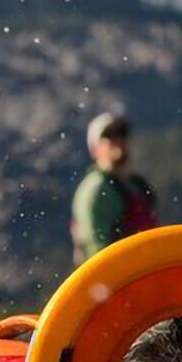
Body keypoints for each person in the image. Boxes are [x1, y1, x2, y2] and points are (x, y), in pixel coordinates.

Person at [70, 112, 159, 264]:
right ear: (94, 149)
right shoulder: (95, 190)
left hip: (145, 272)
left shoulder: (136, 184)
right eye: (109, 136)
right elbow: (96, 250)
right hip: (117, 280)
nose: (118, 140)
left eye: (122, 134)